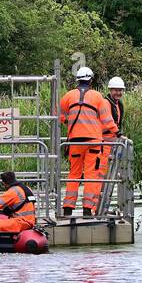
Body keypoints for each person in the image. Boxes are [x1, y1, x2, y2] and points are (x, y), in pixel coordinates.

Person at [59, 66, 118, 217]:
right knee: (92, 175)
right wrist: (117, 132)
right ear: (91, 80)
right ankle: (87, 208)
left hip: (74, 142)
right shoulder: (98, 97)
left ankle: (68, 207)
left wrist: (70, 123)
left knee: (74, 174)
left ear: (77, 80)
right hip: (93, 142)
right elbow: (107, 120)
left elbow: (60, 115)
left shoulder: (68, 96)